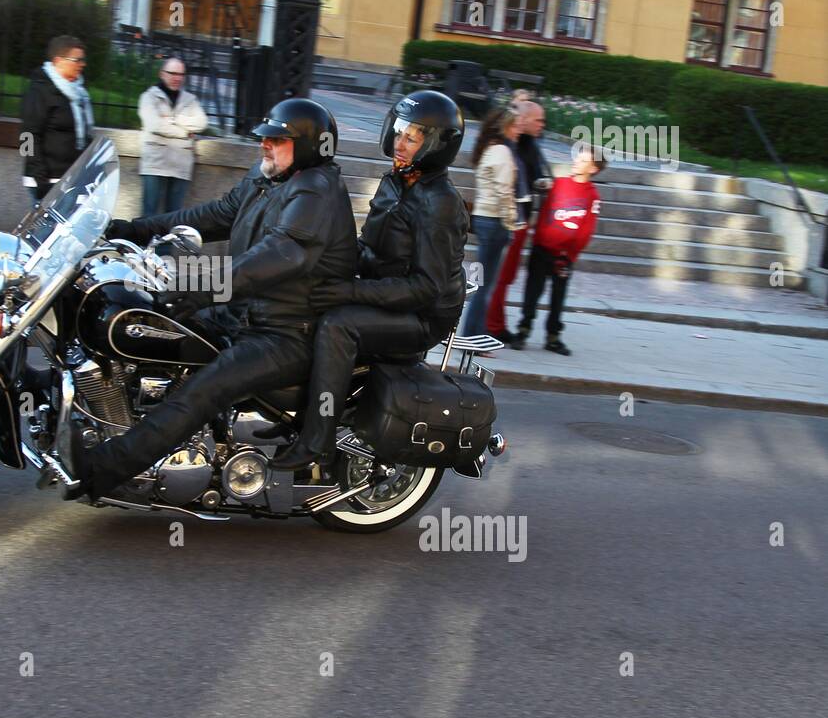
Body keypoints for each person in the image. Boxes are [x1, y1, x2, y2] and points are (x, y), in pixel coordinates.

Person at [62, 98, 358, 502]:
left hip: (286, 333)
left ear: (309, 146)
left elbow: (275, 257)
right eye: (264, 138)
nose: (265, 145)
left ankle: (101, 469)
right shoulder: (268, 178)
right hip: (244, 313)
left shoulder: (317, 193)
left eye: (277, 139)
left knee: (204, 389)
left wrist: (199, 285)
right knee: (155, 333)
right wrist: (133, 230)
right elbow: (213, 215)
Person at [268, 90, 469, 470]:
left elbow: (425, 287)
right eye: (398, 132)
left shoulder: (440, 204)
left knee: (337, 325)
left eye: (411, 137)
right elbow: (368, 248)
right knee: (301, 297)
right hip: (383, 293)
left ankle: (317, 442)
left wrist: (347, 290)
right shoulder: (395, 180)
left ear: (438, 145)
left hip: (421, 316)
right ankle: (298, 417)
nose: (399, 142)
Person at [513, 143, 604, 355]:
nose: (576, 161)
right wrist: (537, 239)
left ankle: (553, 336)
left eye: (583, 160)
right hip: (542, 249)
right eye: (577, 158)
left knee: (558, 296)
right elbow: (545, 213)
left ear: (593, 168)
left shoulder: (592, 196)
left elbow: (586, 229)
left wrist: (569, 255)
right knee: (532, 292)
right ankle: (523, 329)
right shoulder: (558, 184)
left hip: (563, 256)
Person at [486, 96, 553, 340]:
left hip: (517, 219)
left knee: (506, 275)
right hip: (507, 219)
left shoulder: (528, 145)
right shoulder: (508, 144)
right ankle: (492, 326)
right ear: (522, 120)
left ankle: (495, 323)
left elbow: (531, 177)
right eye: (538, 120)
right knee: (499, 275)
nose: (541, 125)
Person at [459, 105, 522, 340]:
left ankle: (471, 332)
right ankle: (473, 336)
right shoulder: (502, 153)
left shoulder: (488, 149)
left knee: (481, 279)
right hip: (495, 222)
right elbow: (504, 191)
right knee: (485, 284)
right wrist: (511, 221)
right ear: (504, 127)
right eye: (514, 126)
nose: (518, 130)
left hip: (485, 220)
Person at [20, 35, 93, 206]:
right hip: (46, 180)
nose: (83, 64)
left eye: (83, 59)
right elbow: (27, 136)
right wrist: (40, 178)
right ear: (58, 60)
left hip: (71, 176)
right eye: (78, 60)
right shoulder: (39, 91)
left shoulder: (78, 93)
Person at [137, 56, 208, 216]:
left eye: (181, 74)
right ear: (162, 73)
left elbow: (201, 123)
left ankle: (168, 243)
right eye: (172, 73)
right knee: (148, 214)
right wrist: (184, 132)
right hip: (155, 162)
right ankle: (142, 242)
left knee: (174, 216)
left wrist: (174, 119)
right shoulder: (149, 97)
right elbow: (154, 125)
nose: (177, 78)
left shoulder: (190, 100)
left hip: (180, 164)